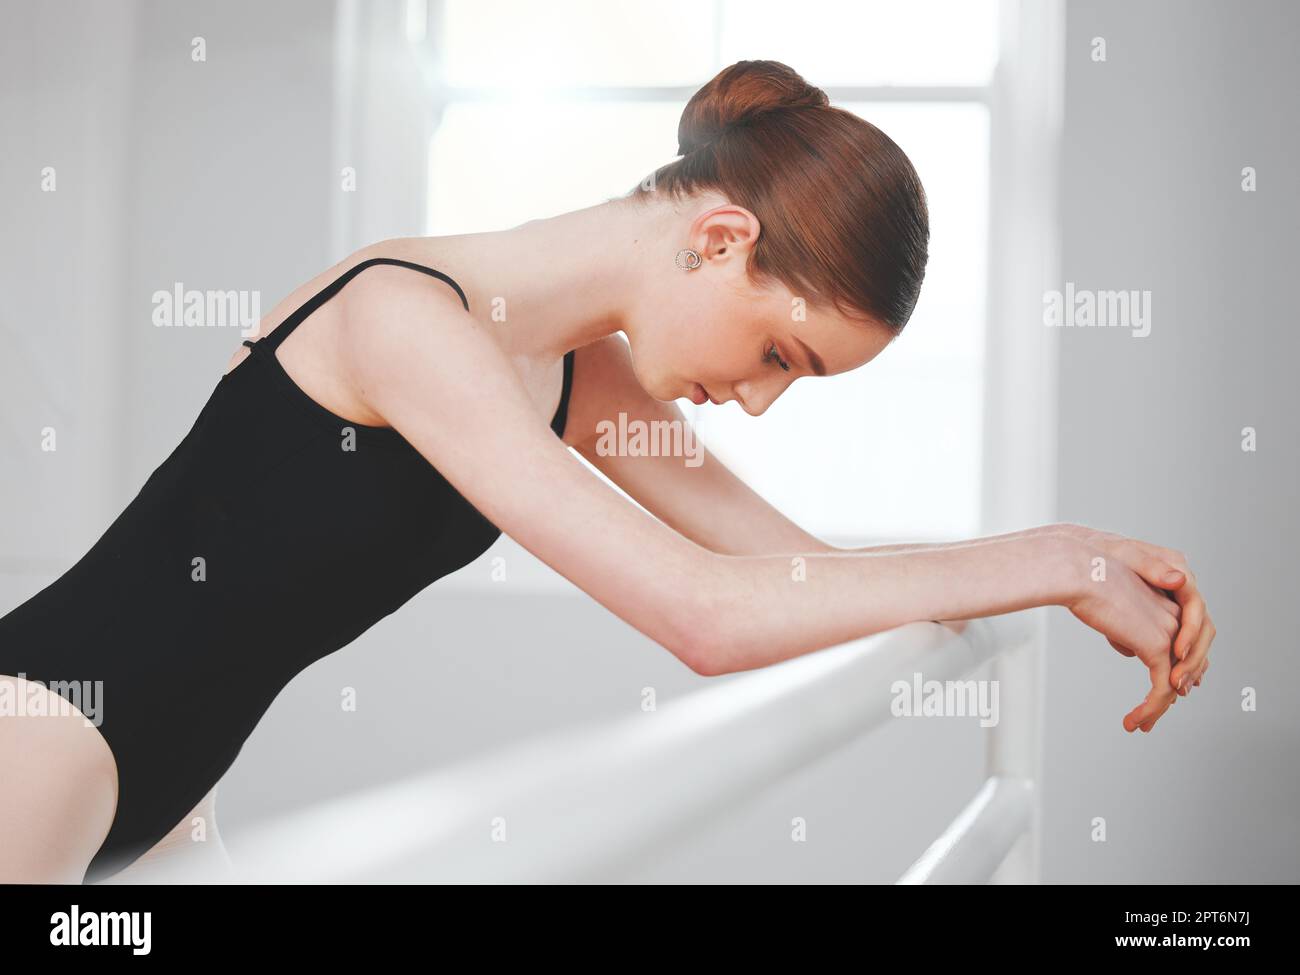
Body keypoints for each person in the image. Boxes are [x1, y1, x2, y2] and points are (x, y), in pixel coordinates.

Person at [0, 60, 1215, 884]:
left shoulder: (582, 376)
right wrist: (1056, 556)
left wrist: (1078, 570)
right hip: (39, 740)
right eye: (777, 354)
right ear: (720, 239)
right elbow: (702, 617)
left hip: (169, 798)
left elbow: (788, 570)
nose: (756, 399)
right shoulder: (400, 317)